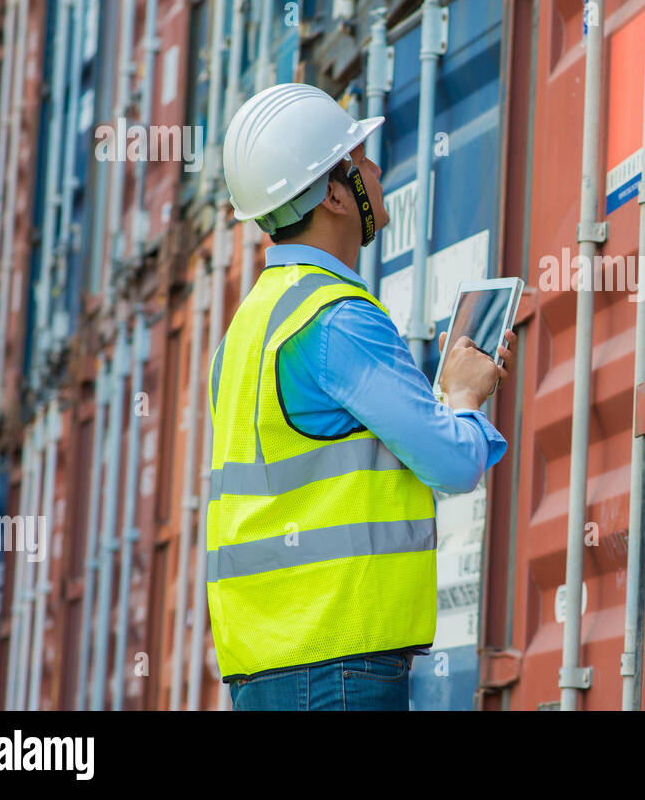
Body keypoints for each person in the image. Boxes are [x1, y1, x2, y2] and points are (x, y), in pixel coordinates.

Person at [206, 82, 514, 710]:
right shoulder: (338, 317)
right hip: (338, 665)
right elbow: (456, 463)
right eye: (362, 160)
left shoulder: (247, 328)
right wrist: (462, 399)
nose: (376, 169)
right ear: (336, 195)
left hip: (263, 670)